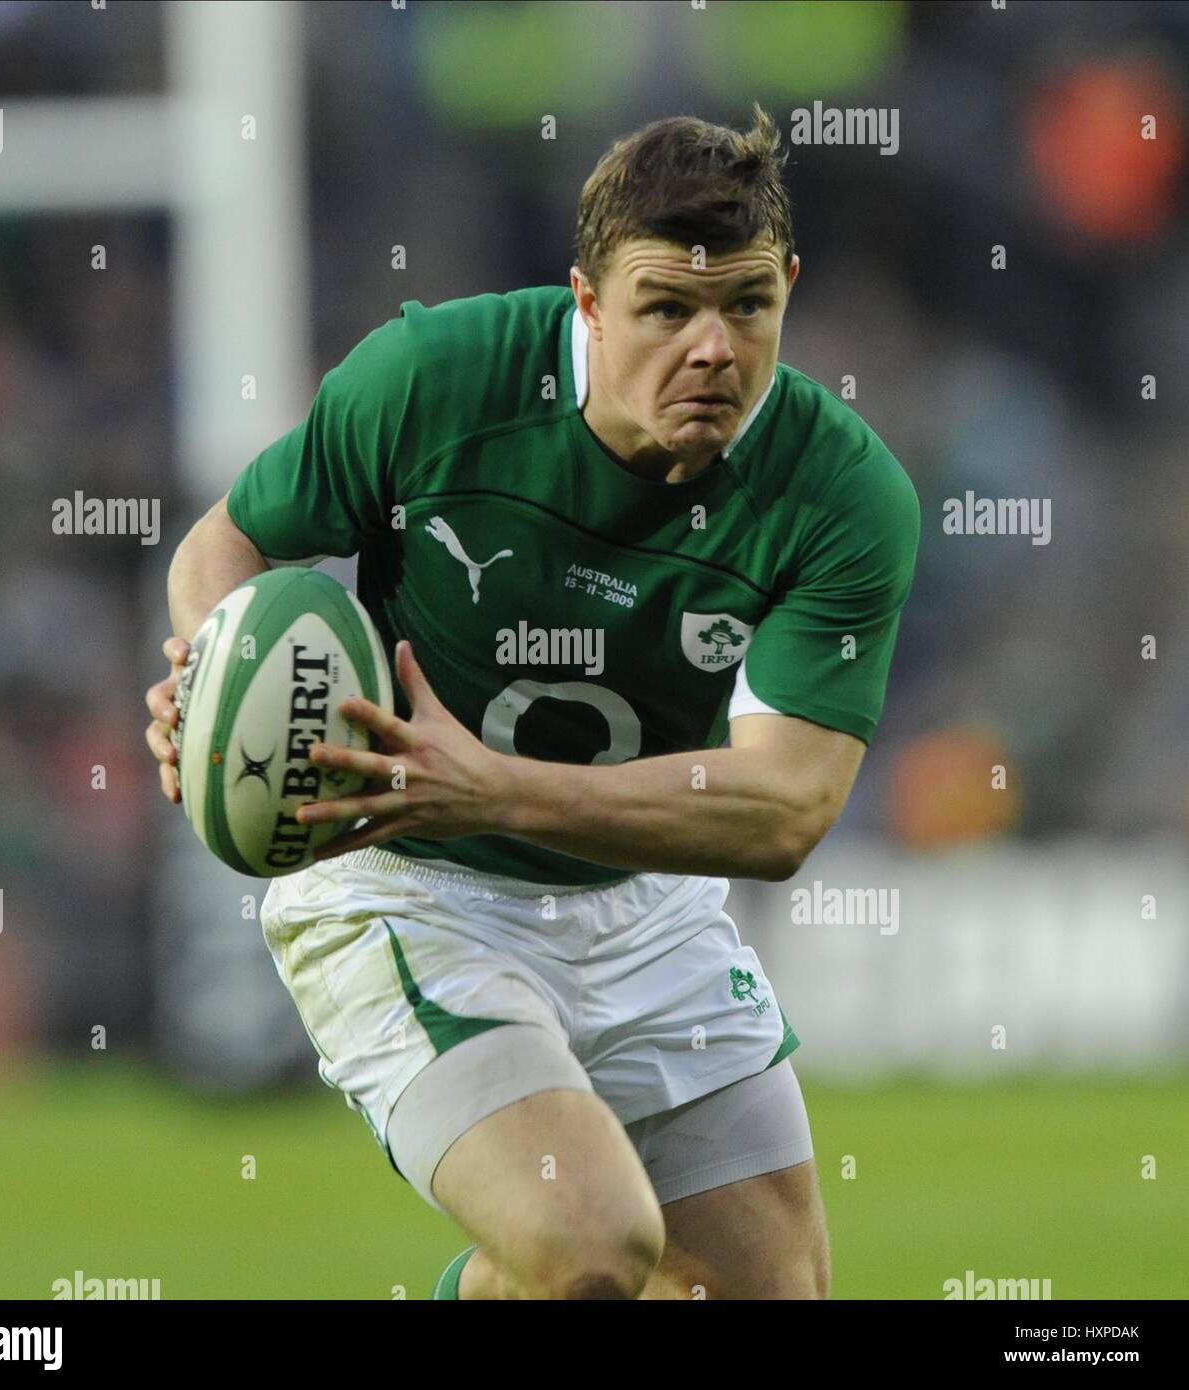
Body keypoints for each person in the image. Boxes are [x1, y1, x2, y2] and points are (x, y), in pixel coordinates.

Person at [144, 105, 919, 1299]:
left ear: (790, 291)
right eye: (667, 308)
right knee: (594, 1247)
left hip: (643, 905)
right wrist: (212, 681)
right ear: (588, 303)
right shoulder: (433, 383)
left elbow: (784, 810)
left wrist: (498, 784)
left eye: (748, 306)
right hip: (409, 882)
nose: (713, 347)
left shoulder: (840, 489)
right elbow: (230, 541)